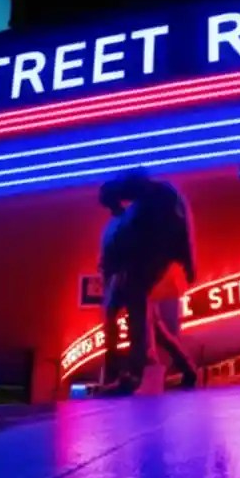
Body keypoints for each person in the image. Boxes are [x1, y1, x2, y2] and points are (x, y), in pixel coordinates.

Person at [101, 168, 199, 395]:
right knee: (150, 322)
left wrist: (188, 262)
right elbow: (122, 244)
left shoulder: (161, 195)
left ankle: (135, 373)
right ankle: (185, 366)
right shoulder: (138, 206)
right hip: (139, 264)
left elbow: (183, 228)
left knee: (137, 308)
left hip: (150, 260)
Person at [97, 190, 128, 385]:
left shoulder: (125, 221)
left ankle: (115, 372)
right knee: (112, 326)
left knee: (115, 325)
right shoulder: (113, 224)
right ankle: (113, 372)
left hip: (122, 276)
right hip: (113, 277)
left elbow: (126, 249)